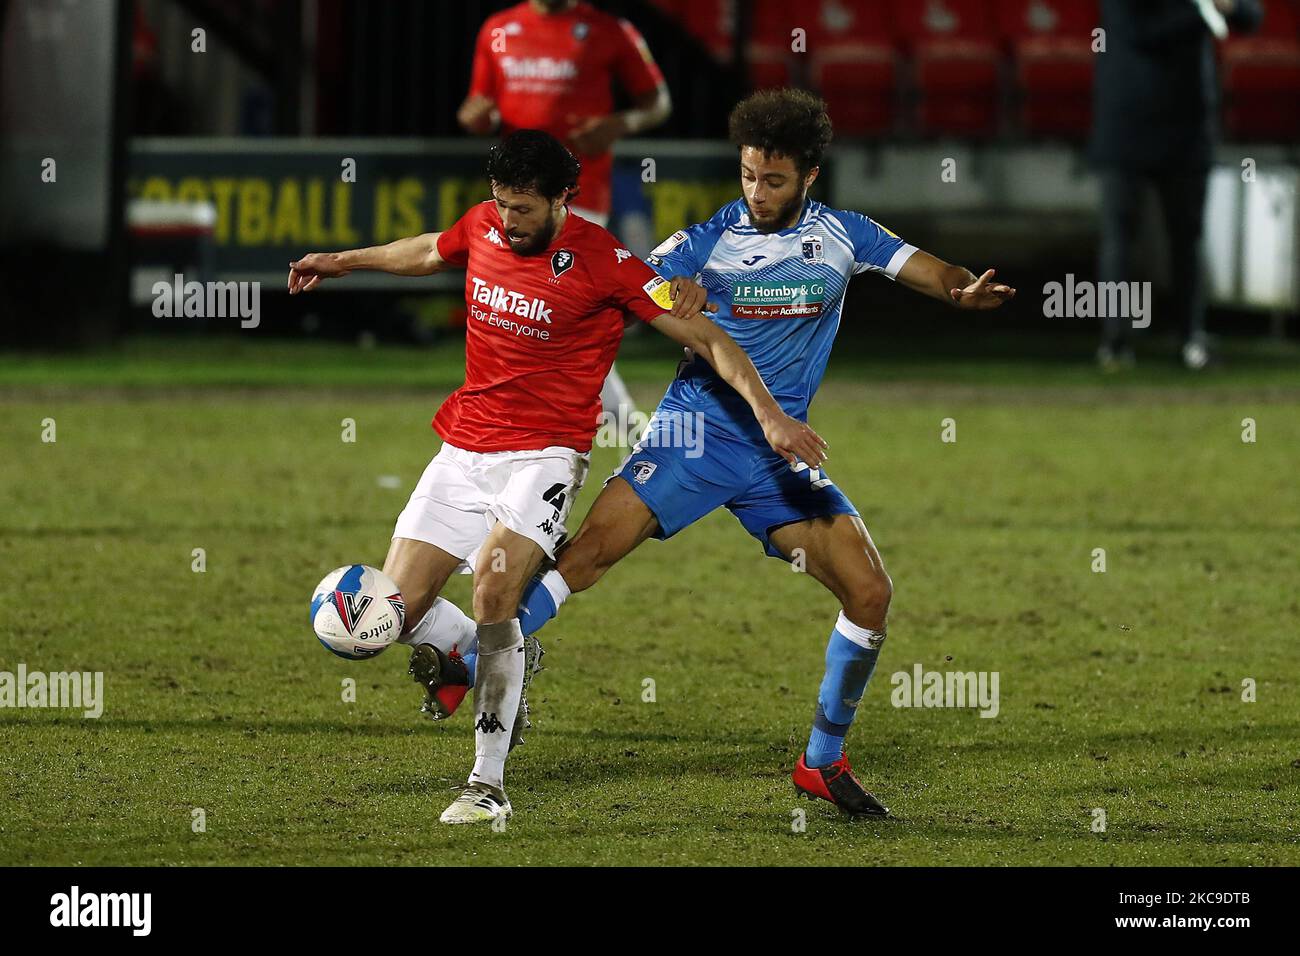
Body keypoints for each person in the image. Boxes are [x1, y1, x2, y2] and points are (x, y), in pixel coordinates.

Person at [416, 90, 1016, 817]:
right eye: (747, 176)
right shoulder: (705, 240)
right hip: (691, 436)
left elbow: (930, 271)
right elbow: (635, 277)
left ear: (810, 177)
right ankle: (470, 657)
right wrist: (676, 287)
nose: (756, 194)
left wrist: (965, 290)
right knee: (585, 558)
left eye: (774, 181)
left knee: (870, 593)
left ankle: (822, 761)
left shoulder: (846, 236)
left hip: (776, 453)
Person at [287, 129, 826, 825]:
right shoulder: (485, 226)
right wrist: (343, 261)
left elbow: (708, 339)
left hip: (544, 456)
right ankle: (496, 651)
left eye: (524, 209)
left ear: (563, 198)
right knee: (395, 615)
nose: (510, 222)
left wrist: (772, 417)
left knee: (493, 590)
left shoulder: (606, 262)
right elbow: (428, 249)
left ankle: (487, 784)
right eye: (502, 205)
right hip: (463, 451)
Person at [458, 0, 675, 426]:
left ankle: (617, 421)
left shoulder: (607, 29)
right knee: (551, 312)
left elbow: (658, 102)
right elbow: (479, 106)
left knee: (559, 309)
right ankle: (619, 422)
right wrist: (475, 117)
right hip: (520, 196)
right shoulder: (497, 29)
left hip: (580, 191)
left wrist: (619, 124)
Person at [1091, 0, 1262, 371]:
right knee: (1119, 237)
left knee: (1189, 236)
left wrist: (1228, 6)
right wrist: (1206, 11)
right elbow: (1142, 32)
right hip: (1126, 122)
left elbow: (1250, 16)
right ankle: (1115, 341)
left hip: (1188, 125)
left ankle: (1191, 338)